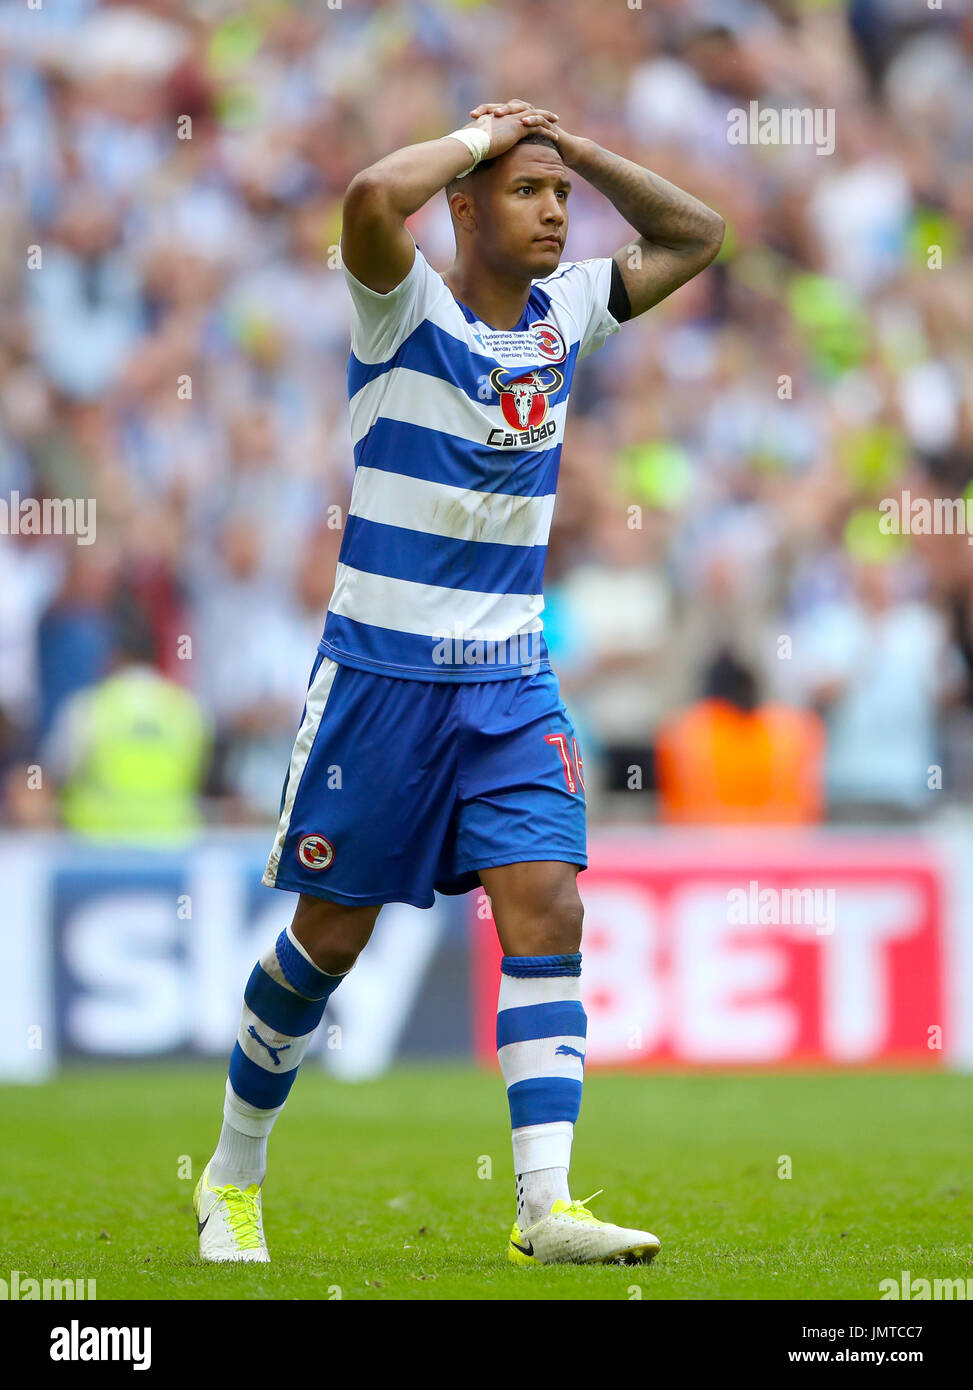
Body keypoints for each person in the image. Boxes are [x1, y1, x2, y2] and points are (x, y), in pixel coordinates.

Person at [195, 98, 723, 1266]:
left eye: (561, 198)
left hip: (509, 680)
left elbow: (697, 237)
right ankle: (231, 1173)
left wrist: (575, 143)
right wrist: (483, 140)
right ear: (468, 207)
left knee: (549, 903)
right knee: (329, 939)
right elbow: (369, 201)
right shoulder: (401, 307)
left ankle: (546, 1203)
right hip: (380, 681)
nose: (553, 213)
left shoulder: (569, 310)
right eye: (528, 194)